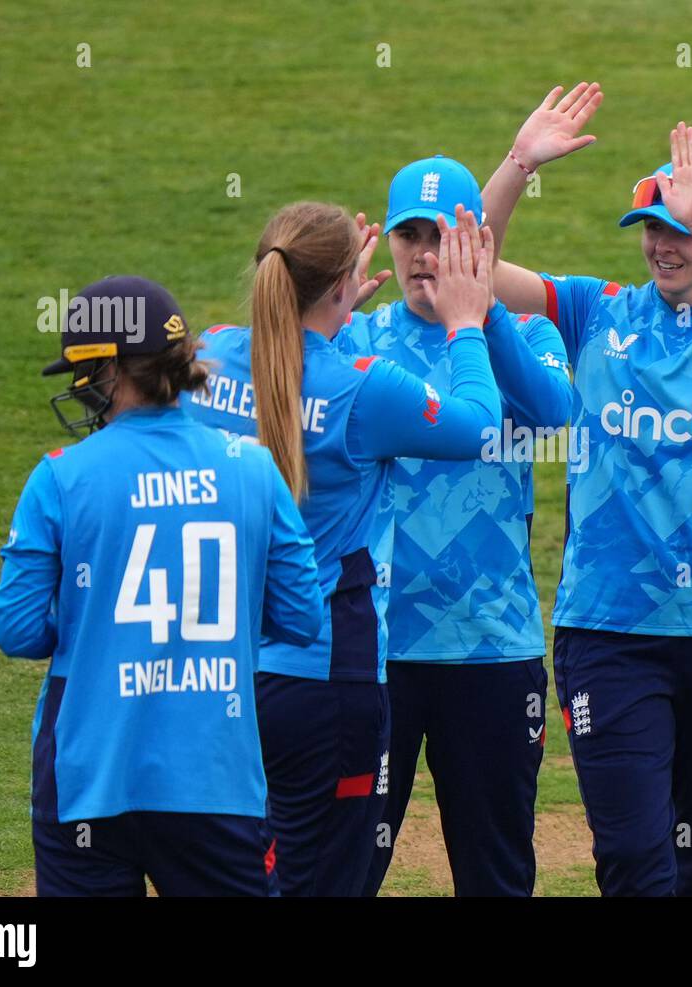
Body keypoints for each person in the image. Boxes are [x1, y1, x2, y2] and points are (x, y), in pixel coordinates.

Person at [481, 83, 692, 896]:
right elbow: (475, 270)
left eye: (681, 231)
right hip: (608, 627)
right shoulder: (596, 311)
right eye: (653, 230)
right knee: (633, 858)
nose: (663, 246)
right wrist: (519, 165)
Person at [183, 201, 502, 896]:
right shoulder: (364, 387)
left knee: (238, 866)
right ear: (340, 284)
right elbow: (478, 426)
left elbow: (281, 368)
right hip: (326, 678)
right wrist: (467, 326)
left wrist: (332, 316)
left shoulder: (206, 358)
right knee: (324, 878)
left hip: (217, 671)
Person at [0, 275, 323, 896]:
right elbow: (303, 618)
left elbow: (15, 630)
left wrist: (97, 622)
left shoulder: (62, 478)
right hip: (215, 780)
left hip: (88, 776)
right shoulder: (253, 467)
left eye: (84, 373)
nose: (79, 389)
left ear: (115, 371)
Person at [345, 158, 573, 897]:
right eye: (409, 235)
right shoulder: (356, 337)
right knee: (346, 863)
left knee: (496, 869)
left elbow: (553, 415)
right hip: (374, 650)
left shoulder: (529, 334)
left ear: (476, 243)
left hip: (492, 649)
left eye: (443, 237)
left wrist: (480, 316)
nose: (424, 255)